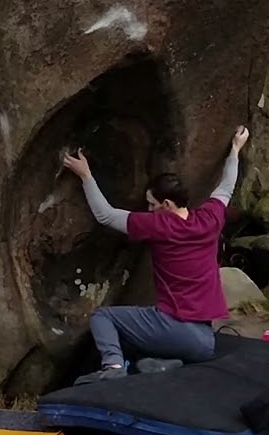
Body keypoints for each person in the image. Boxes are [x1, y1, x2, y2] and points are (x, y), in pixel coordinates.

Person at [62, 125, 250, 385]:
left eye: (152, 204)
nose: (148, 208)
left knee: (103, 318)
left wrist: (85, 176)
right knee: (143, 321)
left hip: (175, 329)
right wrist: (235, 150)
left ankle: (113, 366)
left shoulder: (158, 226)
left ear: (167, 205)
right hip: (205, 339)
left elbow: (105, 214)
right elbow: (226, 187)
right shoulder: (210, 218)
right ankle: (166, 363)